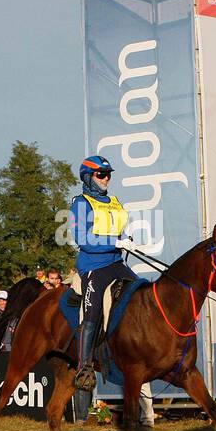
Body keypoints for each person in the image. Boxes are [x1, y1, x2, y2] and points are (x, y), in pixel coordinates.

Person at [68, 155, 135, 390]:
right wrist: (115, 243)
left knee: (142, 295)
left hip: (117, 263)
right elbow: (83, 239)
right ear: (88, 177)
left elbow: (117, 229)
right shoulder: (81, 203)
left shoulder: (115, 201)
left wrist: (126, 240)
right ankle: (84, 367)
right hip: (94, 266)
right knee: (92, 312)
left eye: (108, 175)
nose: (107, 179)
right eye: (101, 174)